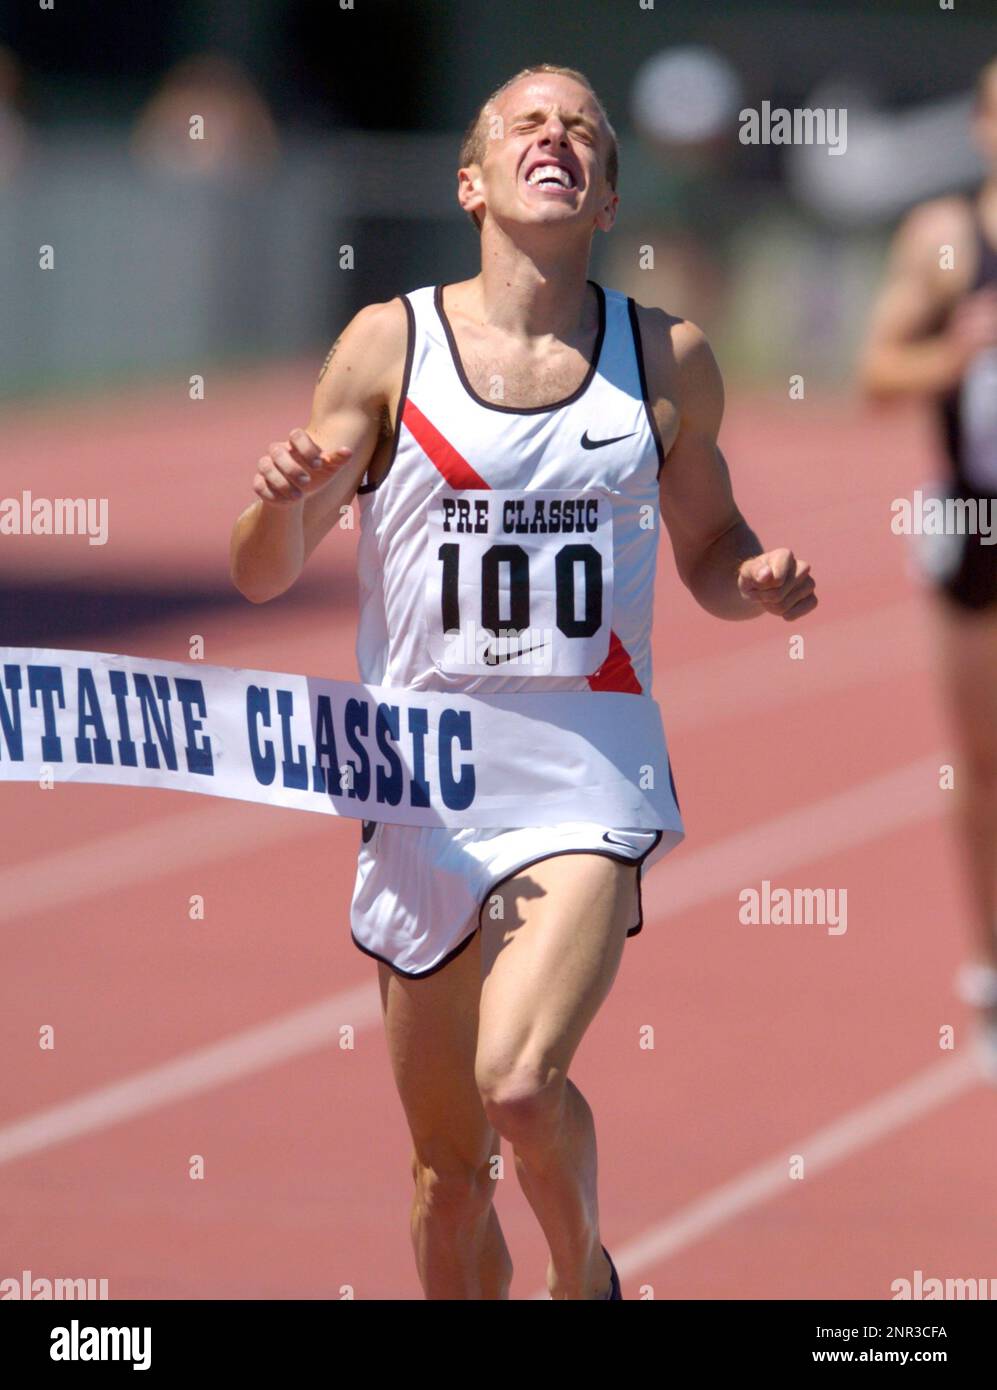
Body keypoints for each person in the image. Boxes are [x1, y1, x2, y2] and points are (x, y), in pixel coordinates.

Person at [229, 63, 818, 1299]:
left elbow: (709, 545)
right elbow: (263, 575)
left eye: (583, 133)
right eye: (526, 123)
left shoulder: (666, 357)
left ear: (605, 194)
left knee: (518, 1080)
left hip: (581, 776)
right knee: (447, 1178)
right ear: (472, 179)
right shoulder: (390, 345)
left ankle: (583, 1277)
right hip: (423, 790)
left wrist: (752, 577)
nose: (556, 138)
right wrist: (279, 504)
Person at [859, 58, 997, 1077]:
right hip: (976, 522)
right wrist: (953, 355)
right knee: (984, 767)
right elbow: (873, 372)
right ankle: (989, 973)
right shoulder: (948, 242)